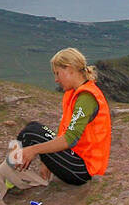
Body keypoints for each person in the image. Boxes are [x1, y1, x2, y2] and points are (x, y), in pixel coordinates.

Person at [12, 48, 111, 185]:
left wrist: (33, 150)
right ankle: (10, 173)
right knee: (33, 127)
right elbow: (64, 131)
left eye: (57, 73)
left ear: (69, 69)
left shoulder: (86, 97)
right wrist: (47, 161)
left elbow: (69, 139)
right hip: (76, 157)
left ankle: (8, 177)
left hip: (84, 169)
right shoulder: (74, 93)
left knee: (32, 134)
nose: (56, 80)